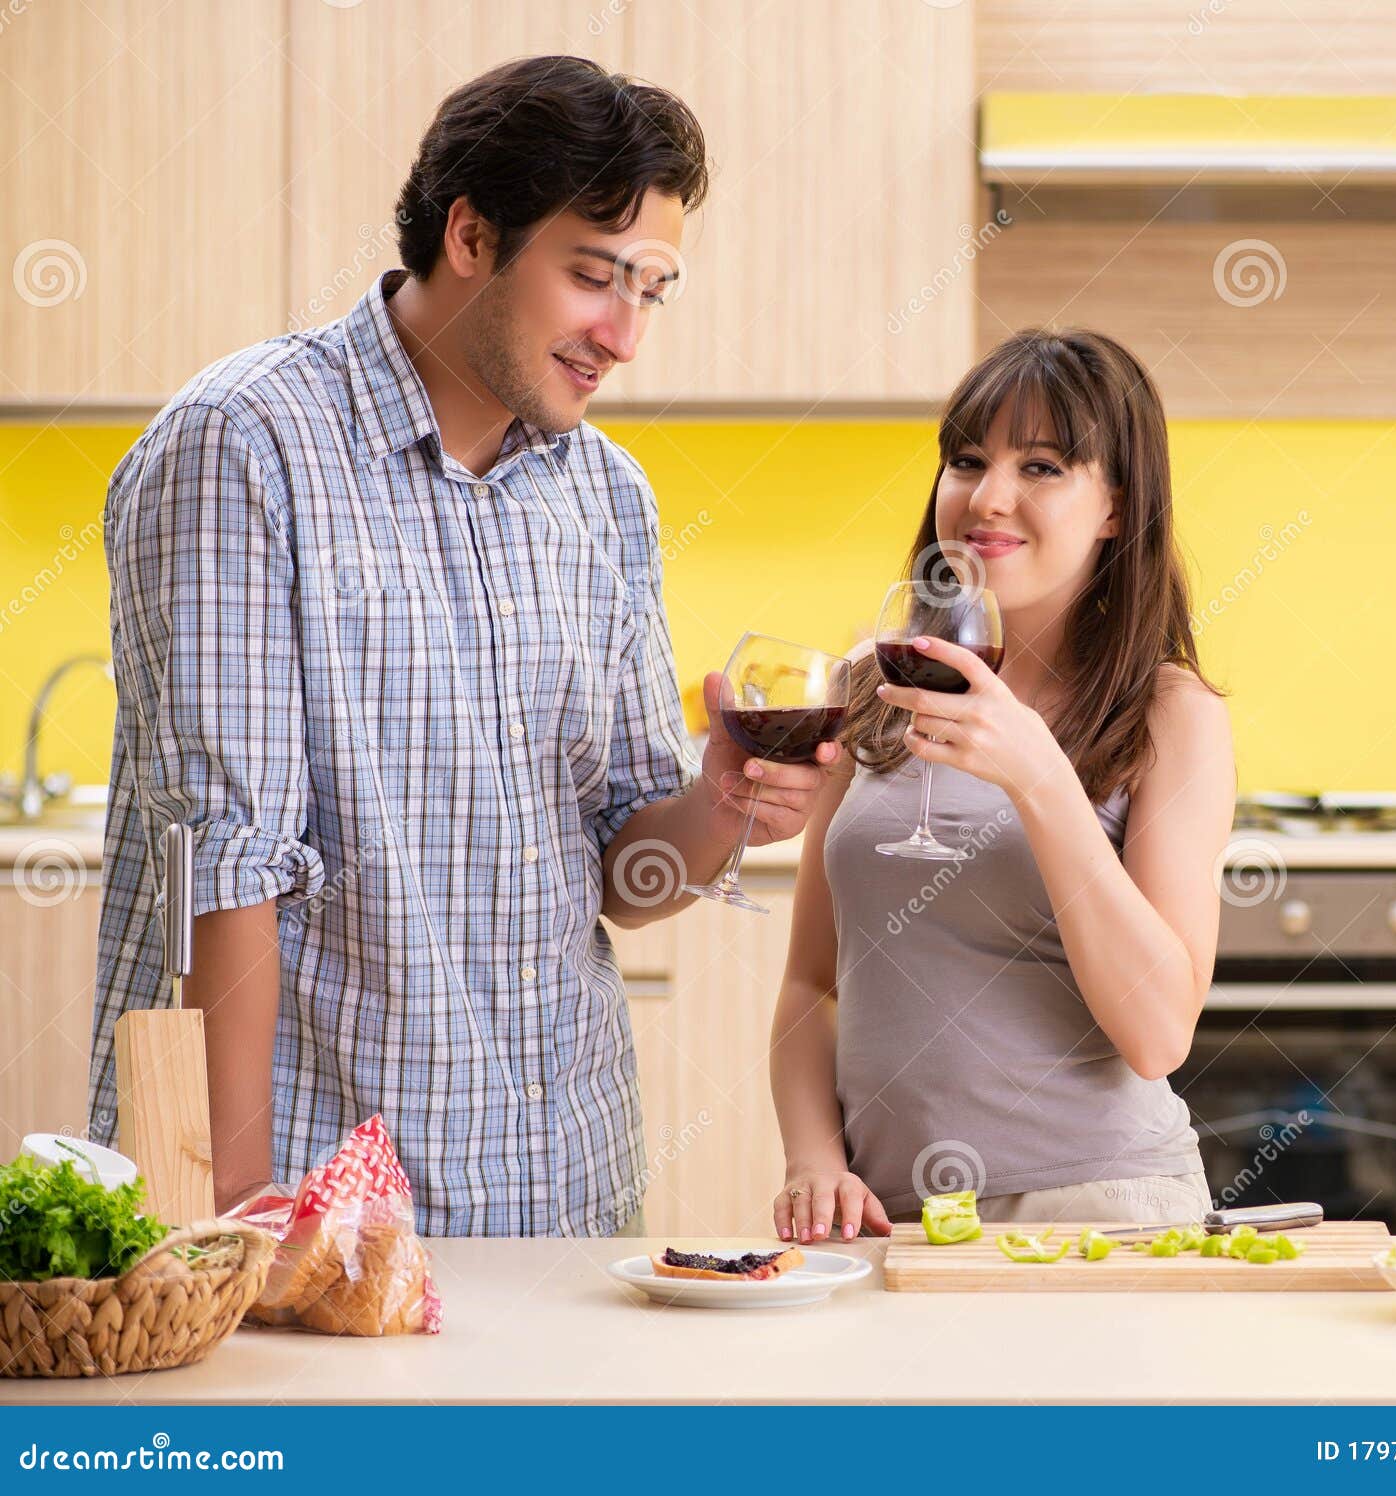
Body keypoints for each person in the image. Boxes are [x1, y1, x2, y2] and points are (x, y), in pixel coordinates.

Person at [88, 55, 838, 1237]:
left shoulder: (608, 497)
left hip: (565, 1191)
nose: (624, 335)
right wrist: (232, 1221)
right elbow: (221, 867)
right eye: (594, 277)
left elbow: (622, 875)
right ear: (473, 235)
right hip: (317, 1200)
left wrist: (722, 803)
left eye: (653, 289)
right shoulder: (244, 448)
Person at [769, 329, 1236, 1241]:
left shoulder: (1171, 714)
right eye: (968, 460)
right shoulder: (875, 680)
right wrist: (813, 1159)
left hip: (1099, 1212)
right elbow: (808, 983)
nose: (988, 497)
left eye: (1043, 465)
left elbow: (1158, 1035)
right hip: (891, 1218)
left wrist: (1041, 779)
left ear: (1116, 507)